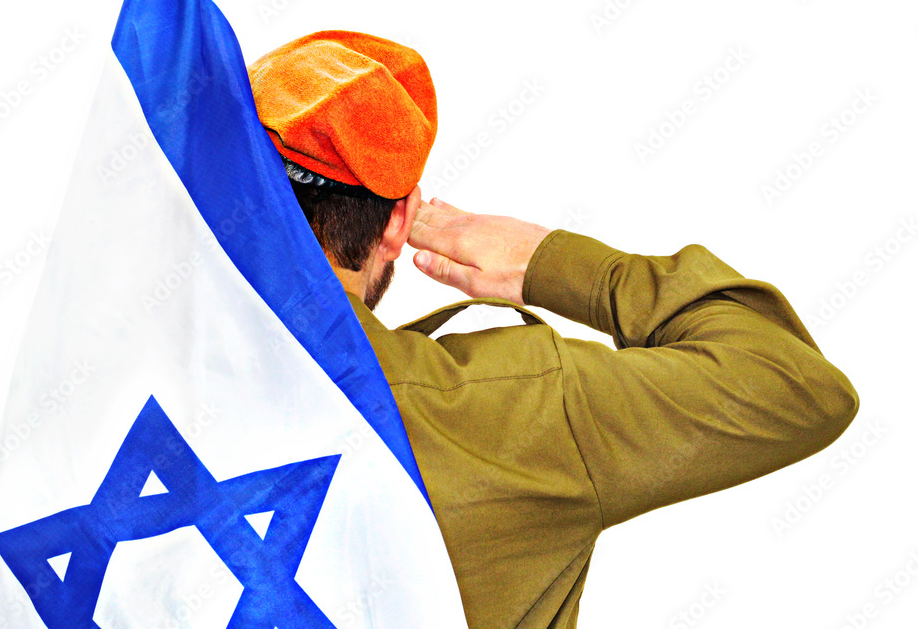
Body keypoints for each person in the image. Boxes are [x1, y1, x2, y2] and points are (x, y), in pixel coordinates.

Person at [247, 31, 860, 628]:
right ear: (397, 222)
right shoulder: (514, 405)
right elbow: (796, 384)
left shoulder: (183, 368)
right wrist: (554, 264)